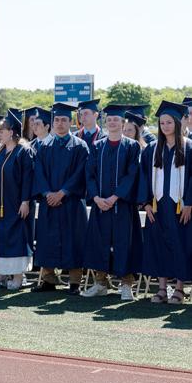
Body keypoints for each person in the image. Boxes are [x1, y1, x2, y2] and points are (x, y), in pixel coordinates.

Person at [81, 105, 143, 300]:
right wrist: (97, 198)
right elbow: (89, 175)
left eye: (116, 119)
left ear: (123, 123)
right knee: (99, 243)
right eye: (109, 120)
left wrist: (115, 197)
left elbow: (132, 175)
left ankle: (126, 285)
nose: (113, 122)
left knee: (124, 243)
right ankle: (100, 283)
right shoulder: (97, 146)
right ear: (105, 122)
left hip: (123, 206)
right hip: (100, 206)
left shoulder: (132, 147)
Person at [137, 101, 192, 304]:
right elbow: (142, 177)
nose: (165, 126)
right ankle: (161, 288)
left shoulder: (189, 147)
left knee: (180, 245)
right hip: (158, 207)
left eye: (169, 122)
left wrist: (190, 203)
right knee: (158, 245)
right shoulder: (151, 149)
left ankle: (179, 288)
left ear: (177, 123)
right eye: (162, 123)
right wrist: (146, 203)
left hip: (180, 207)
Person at [32, 103, 89, 294]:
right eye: (56, 120)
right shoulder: (43, 146)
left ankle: (74, 282)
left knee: (74, 240)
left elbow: (81, 173)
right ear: (52, 122)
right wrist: (48, 193)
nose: (60, 123)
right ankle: (48, 279)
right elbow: (38, 173)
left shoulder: (80, 146)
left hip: (71, 202)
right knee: (47, 239)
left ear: (71, 122)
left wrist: (63, 192)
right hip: (49, 202)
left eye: (64, 120)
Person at [0, 111, 35, 290]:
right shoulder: (0, 151)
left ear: (11, 132)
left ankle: (18, 276)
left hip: (16, 204)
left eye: (1, 129)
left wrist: (25, 201)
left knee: (15, 239)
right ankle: (0, 274)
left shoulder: (23, 151)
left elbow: (28, 177)